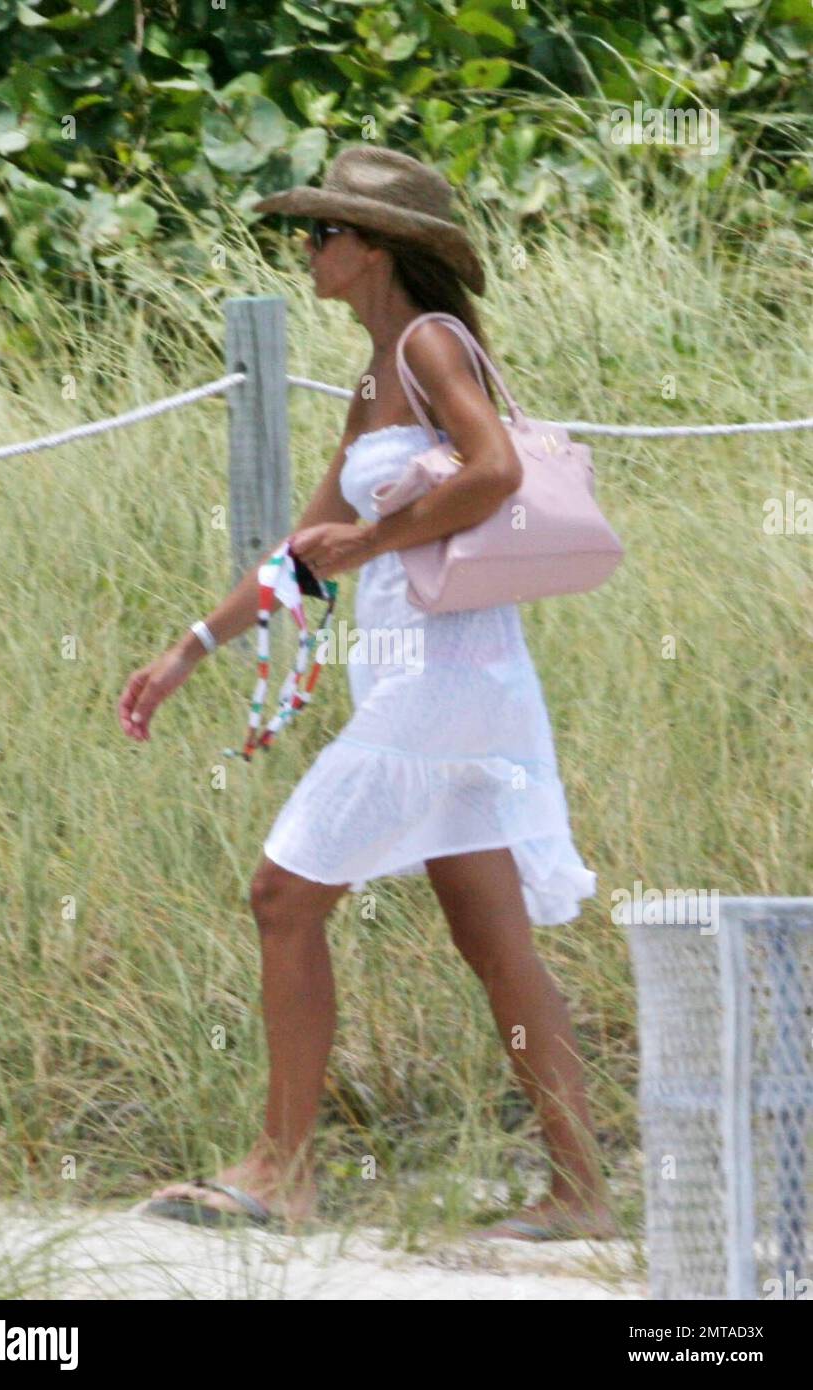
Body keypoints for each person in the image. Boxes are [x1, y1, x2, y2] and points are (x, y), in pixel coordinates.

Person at [118, 145, 617, 1242]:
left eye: (324, 233)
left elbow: (494, 471)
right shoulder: (370, 373)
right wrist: (193, 644)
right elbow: (307, 545)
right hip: (448, 679)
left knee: (283, 897)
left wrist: (377, 537)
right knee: (495, 944)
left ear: (378, 248)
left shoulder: (433, 342)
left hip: (442, 680)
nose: (308, 251)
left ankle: (281, 1171)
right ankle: (581, 1193)